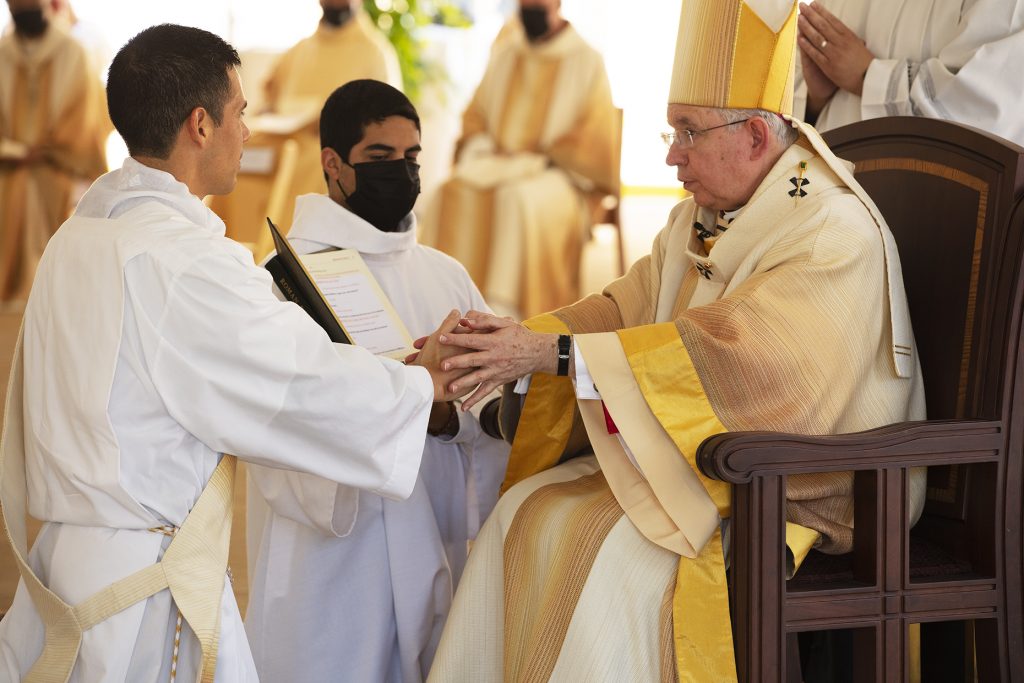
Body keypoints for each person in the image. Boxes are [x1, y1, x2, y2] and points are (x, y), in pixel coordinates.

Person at [426, 1, 927, 680]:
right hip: (703, 463)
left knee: (608, 556)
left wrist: (552, 356)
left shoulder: (829, 229)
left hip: (796, 485)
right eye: (672, 131)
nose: (670, 155)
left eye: (688, 132)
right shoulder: (701, 215)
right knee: (522, 513)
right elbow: (621, 308)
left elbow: (746, 359)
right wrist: (513, 341)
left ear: (755, 134)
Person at [0, 24, 467, 682]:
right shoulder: (186, 263)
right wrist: (424, 382)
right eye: (240, 113)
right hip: (146, 591)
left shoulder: (76, 237)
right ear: (200, 125)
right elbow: (294, 381)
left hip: (67, 563)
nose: (247, 132)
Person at [244, 80, 510, 683]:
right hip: (334, 559)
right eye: (381, 159)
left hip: (431, 533)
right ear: (333, 164)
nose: (403, 173)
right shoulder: (286, 282)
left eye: (412, 158)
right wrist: (411, 393)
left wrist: (446, 414)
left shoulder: (444, 274)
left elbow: (486, 406)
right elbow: (281, 425)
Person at [419, 0, 618, 320]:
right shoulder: (506, 53)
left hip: (558, 174)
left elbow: (593, 139)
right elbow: (475, 117)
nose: (530, 6)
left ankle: (507, 316)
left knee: (516, 200)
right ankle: (440, 307)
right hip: (497, 161)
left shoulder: (586, 60)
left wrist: (536, 159)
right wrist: (486, 148)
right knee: (448, 191)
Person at [794, 0, 1024, 145]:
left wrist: (867, 77)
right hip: (825, 196)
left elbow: (984, 106)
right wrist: (816, 98)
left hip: (921, 202)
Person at [0, 0, 107, 310]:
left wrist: (51, 146)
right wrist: (12, 150)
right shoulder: (3, 52)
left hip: (55, 165)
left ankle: (51, 301)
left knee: (54, 246)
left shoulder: (72, 52)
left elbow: (84, 110)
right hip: (8, 167)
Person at [260, 0, 403, 224]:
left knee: (323, 166)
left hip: (331, 147)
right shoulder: (299, 50)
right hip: (286, 141)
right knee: (246, 154)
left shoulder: (375, 52)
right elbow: (270, 98)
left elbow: (383, 121)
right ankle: (237, 245)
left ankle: (289, 248)